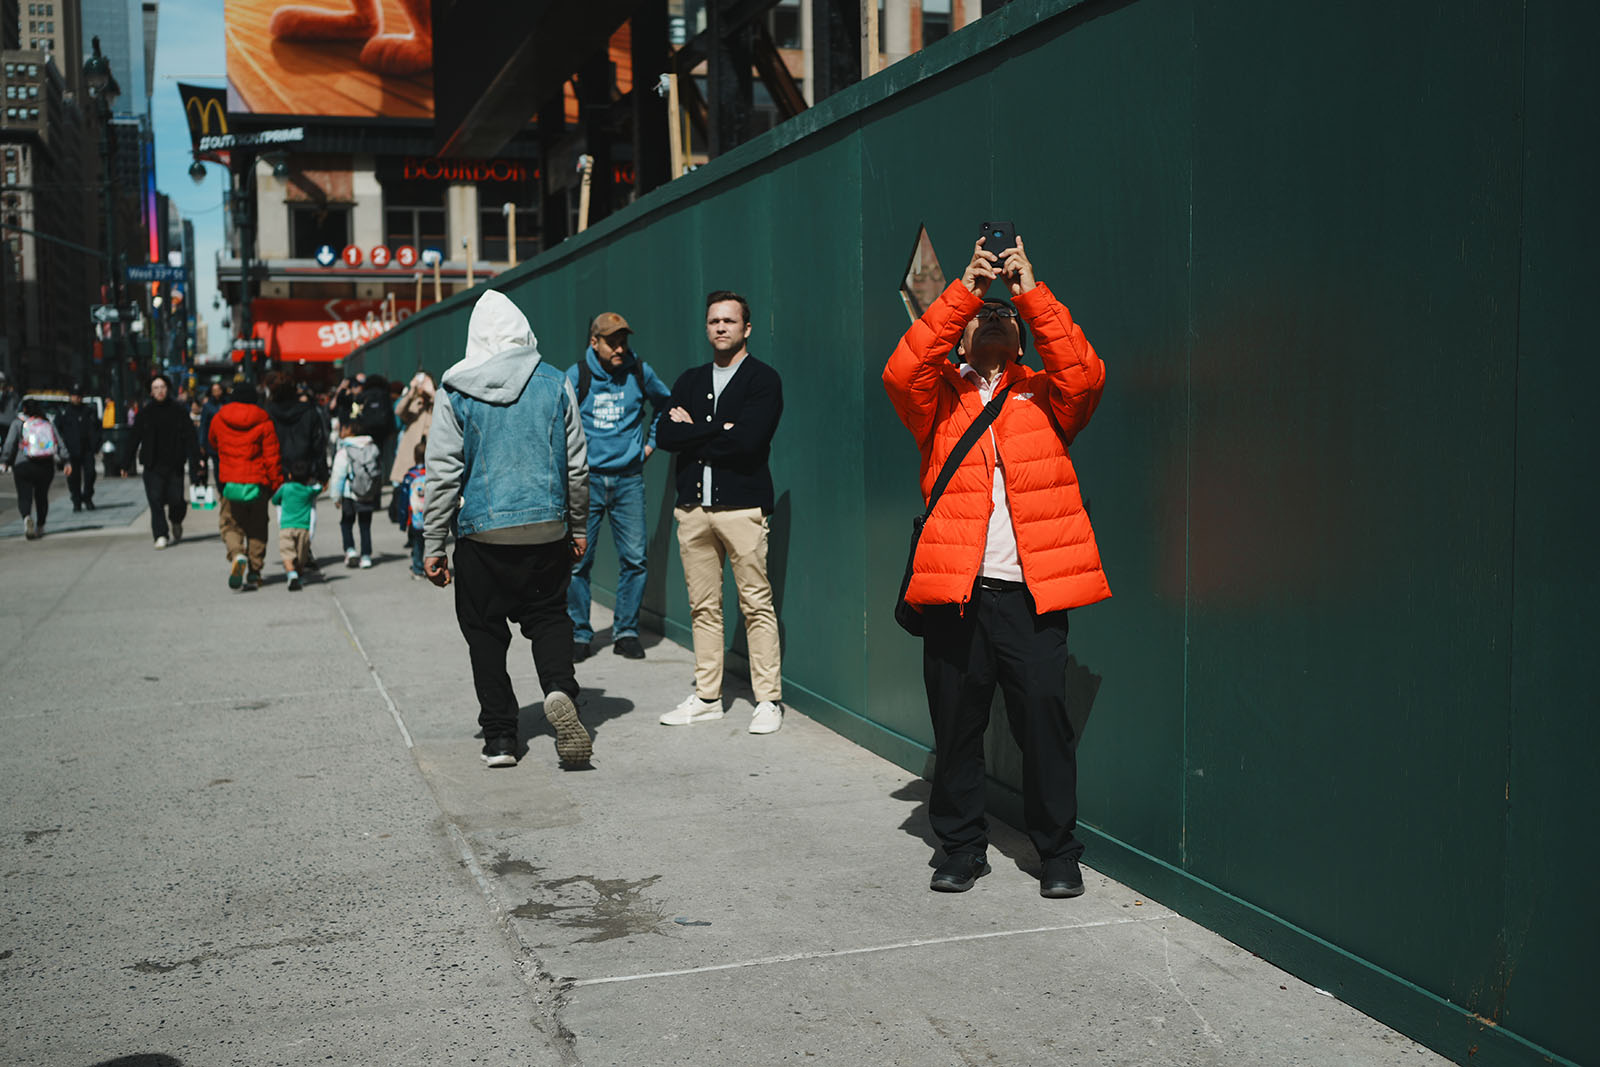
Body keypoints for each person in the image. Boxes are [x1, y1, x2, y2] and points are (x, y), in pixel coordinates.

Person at [882, 236, 1111, 899]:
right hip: (955, 595)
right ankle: (961, 848)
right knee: (957, 730)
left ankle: (1058, 852)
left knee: (1045, 726)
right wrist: (967, 291)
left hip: (1031, 596)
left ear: (1022, 339)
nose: (995, 317)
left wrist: (1027, 291)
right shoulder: (937, 398)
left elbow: (1085, 374)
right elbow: (902, 370)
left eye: (1005, 317)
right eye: (984, 315)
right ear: (961, 333)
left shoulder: (1046, 395)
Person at [422, 290, 591, 770]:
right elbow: (577, 466)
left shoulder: (455, 388)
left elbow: (442, 473)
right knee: (549, 617)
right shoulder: (555, 381)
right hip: (546, 529)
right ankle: (559, 688)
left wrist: (433, 544)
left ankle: (499, 738)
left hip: (483, 536)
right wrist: (577, 525)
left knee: (484, 633)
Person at [655, 290, 785, 735]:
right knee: (703, 608)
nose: (721, 327)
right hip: (693, 511)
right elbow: (666, 435)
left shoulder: (763, 380)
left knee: (756, 604)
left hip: (742, 509)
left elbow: (748, 442)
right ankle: (708, 697)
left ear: (746, 328)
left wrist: (694, 429)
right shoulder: (690, 380)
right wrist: (718, 428)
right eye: (714, 321)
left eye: (729, 321)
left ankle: (767, 699)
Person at [565, 311, 672, 661]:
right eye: (612, 342)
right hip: (587, 482)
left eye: (623, 341)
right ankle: (579, 634)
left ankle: (626, 632)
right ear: (594, 342)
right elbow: (557, 419)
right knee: (578, 562)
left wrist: (649, 445)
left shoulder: (639, 371)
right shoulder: (577, 376)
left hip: (629, 480)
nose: (620, 348)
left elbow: (666, 404)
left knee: (635, 560)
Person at [209, 381, 283, 591]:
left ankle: (237, 554)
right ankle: (254, 571)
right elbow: (272, 456)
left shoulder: (219, 418)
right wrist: (276, 484)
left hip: (231, 481)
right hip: (258, 483)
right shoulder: (264, 421)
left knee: (230, 524)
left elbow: (212, 442)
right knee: (258, 527)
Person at [124, 375, 203, 548]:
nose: (160, 391)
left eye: (163, 387)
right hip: (152, 465)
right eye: (156, 388)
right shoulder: (145, 413)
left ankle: (176, 521)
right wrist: (125, 463)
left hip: (175, 464)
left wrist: (197, 459)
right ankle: (160, 534)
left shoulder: (179, 411)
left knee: (177, 500)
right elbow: (134, 438)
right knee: (155, 500)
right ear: (151, 392)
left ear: (168, 389)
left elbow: (190, 437)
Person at [1, 398, 71, 540]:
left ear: (24, 409)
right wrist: (66, 461)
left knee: (24, 495)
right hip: (45, 465)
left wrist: (5, 461)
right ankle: (40, 526)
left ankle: (27, 516)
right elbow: (59, 442)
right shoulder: (47, 422)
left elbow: (9, 444)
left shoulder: (18, 423)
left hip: (23, 464)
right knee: (42, 496)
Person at [330, 421, 381, 568]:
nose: (341, 432)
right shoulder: (372, 447)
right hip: (367, 494)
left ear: (349, 430)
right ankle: (366, 556)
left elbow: (338, 476)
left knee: (346, 523)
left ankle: (350, 550)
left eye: (343, 428)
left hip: (349, 493)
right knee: (365, 525)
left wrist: (336, 497)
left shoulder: (344, 451)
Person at [264, 373, 331, 482]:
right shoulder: (309, 412)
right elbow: (318, 446)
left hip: (277, 471)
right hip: (305, 471)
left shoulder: (267, 413)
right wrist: (323, 475)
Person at [270, 459, 322, 591]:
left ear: (290, 476)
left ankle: (291, 574)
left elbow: (275, 500)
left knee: (287, 553)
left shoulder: (285, 488)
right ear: (308, 478)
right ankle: (298, 574)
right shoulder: (308, 491)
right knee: (301, 556)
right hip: (303, 528)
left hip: (286, 526)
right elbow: (319, 488)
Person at [57, 383, 103, 512]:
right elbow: (57, 431)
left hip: (87, 449)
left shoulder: (89, 411)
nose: (77, 398)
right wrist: (62, 448)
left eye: (79, 395)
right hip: (71, 450)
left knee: (90, 474)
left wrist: (96, 444)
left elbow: (97, 429)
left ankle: (87, 497)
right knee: (73, 477)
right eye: (74, 395)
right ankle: (76, 500)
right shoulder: (64, 412)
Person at [390, 372, 434, 485]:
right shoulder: (413, 403)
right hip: (411, 455)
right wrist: (412, 391)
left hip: (430, 456)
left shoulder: (436, 402)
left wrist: (432, 392)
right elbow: (399, 411)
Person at [394, 439, 427, 579]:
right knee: (428, 543)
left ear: (414, 457)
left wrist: (402, 521)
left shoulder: (409, 477)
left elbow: (403, 501)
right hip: (430, 515)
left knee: (417, 542)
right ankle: (425, 564)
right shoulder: (432, 474)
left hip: (414, 517)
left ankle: (417, 568)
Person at [199, 381, 228, 488]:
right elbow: (203, 425)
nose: (217, 392)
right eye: (214, 390)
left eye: (218, 390)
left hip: (227, 440)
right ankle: (220, 488)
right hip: (213, 441)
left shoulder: (227, 403)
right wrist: (201, 443)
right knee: (217, 466)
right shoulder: (207, 406)